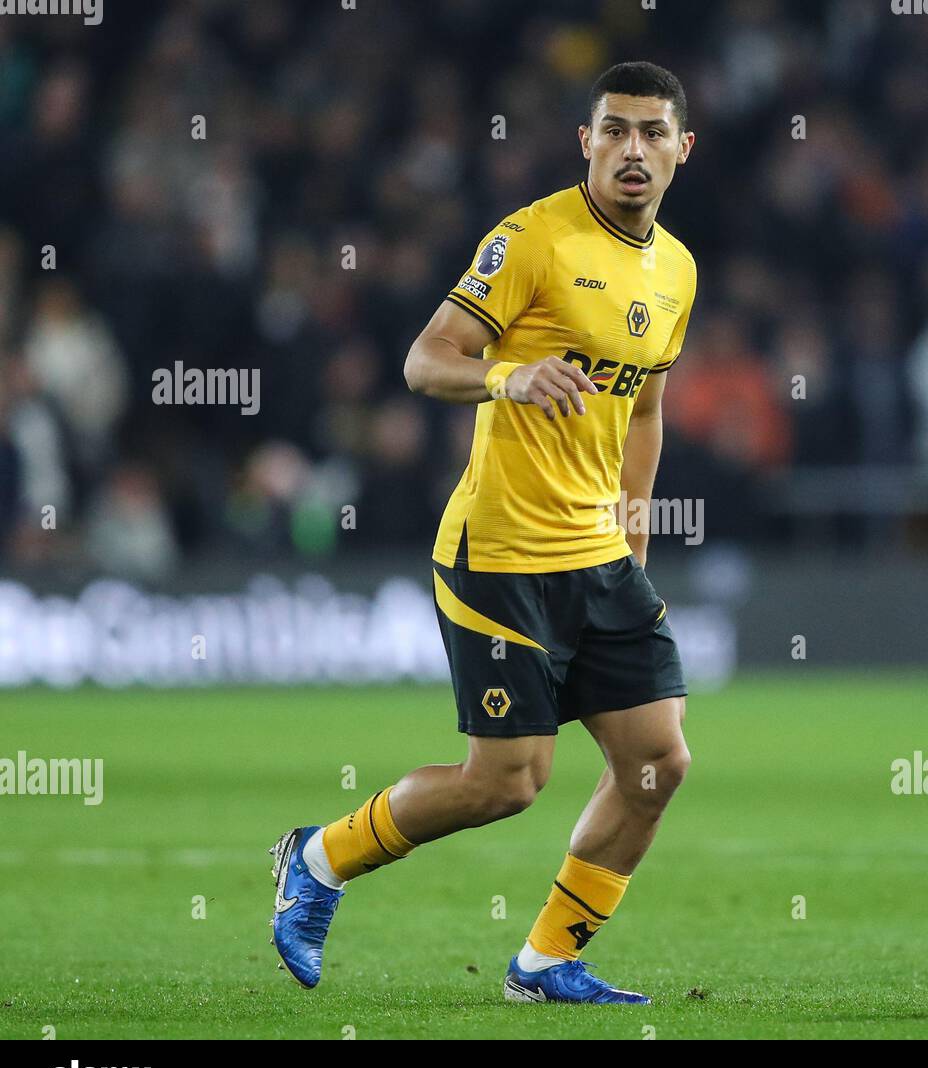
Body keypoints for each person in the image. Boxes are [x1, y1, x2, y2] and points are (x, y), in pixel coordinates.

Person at [270, 61, 697, 1005]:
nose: (634, 150)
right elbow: (427, 360)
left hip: (600, 558)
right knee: (506, 783)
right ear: (585, 142)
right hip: (499, 555)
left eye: (652, 133)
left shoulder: (677, 271)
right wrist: (510, 377)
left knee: (658, 762)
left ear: (681, 149)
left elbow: (648, 410)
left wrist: (635, 537)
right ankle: (318, 856)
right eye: (615, 130)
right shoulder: (534, 239)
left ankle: (546, 964)